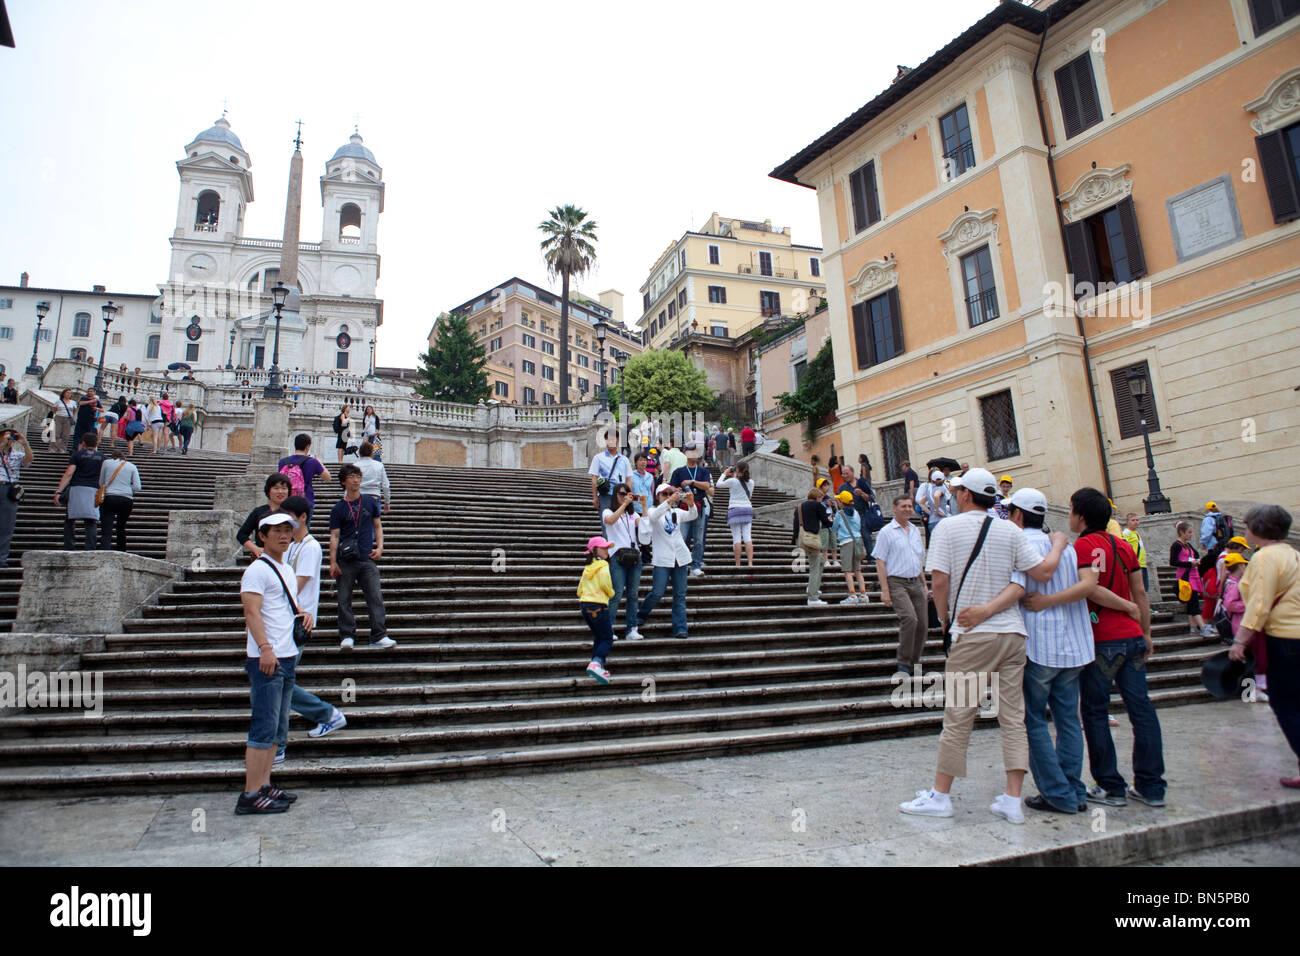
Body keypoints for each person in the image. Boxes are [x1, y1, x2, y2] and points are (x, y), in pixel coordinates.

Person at [899, 468, 1068, 824]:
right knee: (1013, 718)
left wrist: (945, 619)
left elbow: (940, 580)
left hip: (973, 634)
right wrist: (1058, 544)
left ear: (963, 495)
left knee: (958, 717)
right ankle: (1011, 799)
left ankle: (941, 796)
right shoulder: (1009, 529)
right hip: (1013, 635)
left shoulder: (947, 527)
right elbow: (1040, 575)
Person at [1009, 489, 1135, 815]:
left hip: (1040, 645)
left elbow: (1015, 591)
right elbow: (1089, 584)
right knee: (1068, 720)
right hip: (1076, 646)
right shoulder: (1066, 548)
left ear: (1018, 515)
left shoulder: (1022, 545)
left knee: (1033, 720)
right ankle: (1074, 790)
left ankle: (1058, 793)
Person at [1068, 487, 1164, 809]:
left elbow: (1090, 588)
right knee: (1142, 710)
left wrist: (1124, 607)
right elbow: (1142, 594)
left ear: (1081, 516)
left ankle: (1111, 786)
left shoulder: (1083, 545)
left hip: (1103, 640)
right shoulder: (1123, 546)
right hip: (1133, 638)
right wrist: (1145, 632)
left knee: (1095, 712)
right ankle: (1151, 786)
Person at [237, 512, 309, 814]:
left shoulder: (286, 569)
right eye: (275, 531)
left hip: (287, 653)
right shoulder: (257, 570)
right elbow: (251, 613)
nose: (283, 535)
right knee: (263, 727)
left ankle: (265, 784)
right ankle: (250, 794)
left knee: (278, 727)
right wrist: (264, 648)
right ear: (261, 537)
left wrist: (304, 613)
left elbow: (284, 606)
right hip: (267, 657)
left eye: (287, 530)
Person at [1228, 505, 1300, 786]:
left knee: (1286, 705)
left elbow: (1258, 605)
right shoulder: (1293, 553)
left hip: (1283, 638)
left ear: (1257, 528)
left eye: (1246, 525)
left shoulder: (1264, 558)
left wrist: (1240, 641)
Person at [281, 495, 347, 753]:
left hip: (298, 622)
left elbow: (296, 585)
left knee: (280, 681)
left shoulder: (310, 547)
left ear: (303, 517)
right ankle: (326, 715)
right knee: (281, 680)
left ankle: (326, 715)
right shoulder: (290, 546)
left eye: (290, 519)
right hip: (284, 620)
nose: (286, 524)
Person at [329, 464, 396, 650]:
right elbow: (334, 535)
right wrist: (333, 561)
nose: (356, 480)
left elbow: (377, 526)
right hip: (346, 558)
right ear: (343, 481)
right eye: (351, 476)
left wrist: (380, 547)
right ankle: (347, 634)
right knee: (344, 599)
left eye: (358, 476)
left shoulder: (369, 502)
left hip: (366, 557)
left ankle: (379, 635)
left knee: (375, 596)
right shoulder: (338, 508)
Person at [874, 495, 928, 676]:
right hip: (897, 582)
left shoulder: (914, 531)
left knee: (923, 624)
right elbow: (880, 561)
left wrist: (925, 584)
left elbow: (918, 559)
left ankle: (914, 662)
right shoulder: (886, 532)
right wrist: (885, 590)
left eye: (910, 506)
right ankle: (904, 662)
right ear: (894, 508)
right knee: (910, 618)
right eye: (903, 506)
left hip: (915, 582)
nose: (907, 509)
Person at [637, 483, 697, 639]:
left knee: (680, 594)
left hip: (680, 557)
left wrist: (691, 504)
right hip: (662, 558)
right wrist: (669, 501)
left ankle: (680, 627)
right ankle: (641, 614)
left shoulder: (676, 512)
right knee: (657, 592)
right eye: (664, 494)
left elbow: (692, 516)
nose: (668, 495)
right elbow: (654, 516)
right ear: (658, 496)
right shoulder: (653, 511)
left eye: (670, 493)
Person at [602, 483, 644, 641]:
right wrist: (624, 505)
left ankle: (632, 628)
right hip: (617, 557)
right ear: (615, 495)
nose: (625, 496)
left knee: (633, 594)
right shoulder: (608, 510)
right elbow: (610, 521)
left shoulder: (633, 514)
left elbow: (645, 526)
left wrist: (645, 506)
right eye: (621, 494)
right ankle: (608, 628)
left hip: (634, 556)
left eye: (628, 494)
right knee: (617, 593)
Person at [54, 433, 104, 550]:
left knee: (70, 518)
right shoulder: (102, 457)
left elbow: (69, 473)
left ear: (83, 443)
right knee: (91, 521)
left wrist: (59, 491)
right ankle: (90, 548)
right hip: (93, 489)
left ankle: (69, 546)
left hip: (77, 488)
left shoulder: (77, 455)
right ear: (96, 443)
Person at [579, 535, 617, 682]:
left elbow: (580, 588)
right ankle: (597, 663)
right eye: (603, 547)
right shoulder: (603, 566)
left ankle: (597, 665)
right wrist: (611, 593)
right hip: (598, 605)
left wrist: (583, 595)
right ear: (595, 550)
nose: (607, 550)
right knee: (607, 637)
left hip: (585, 604)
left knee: (599, 636)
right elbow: (605, 584)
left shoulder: (588, 567)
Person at [669, 444, 712, 577]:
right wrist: (681, 493)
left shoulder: (703, 471)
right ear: (685, 453)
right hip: (683, 509)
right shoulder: (679, 471)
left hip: (699, 508)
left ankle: (696, 566)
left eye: (695, 451)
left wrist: (692, 482)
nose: (693, 454)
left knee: (699, 539)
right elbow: (672, 488)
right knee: (681, 537)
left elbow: (707, 486)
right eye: (690, 451)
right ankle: (681, 565)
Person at [793, 487, 835, 606]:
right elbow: (826, 522)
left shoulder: (799, 507)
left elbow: (796, 525)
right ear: (817, 498)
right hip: (812, 540)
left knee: (821, 561)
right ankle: (812, 597)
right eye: (821, 498)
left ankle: (813, 586)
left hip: (802, 540)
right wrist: (834, 521)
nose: (822, 500)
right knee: (815, 566)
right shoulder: (818, 506)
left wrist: (795, 541)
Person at [237, 474, 293, 561]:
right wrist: (255, 549)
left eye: (284, 488)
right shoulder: (258, 512)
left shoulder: (293, 513)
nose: (280, 492)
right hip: (264, 558)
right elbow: (241, 535)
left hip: (288, 558)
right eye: (276, 488)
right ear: (268, 491)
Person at [1171, 521, 1212, 637]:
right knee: (1194, 602)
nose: (1190, 535)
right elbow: (1173, 561)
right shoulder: (1176, 545)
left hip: (1193, 575)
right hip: (1185, 577)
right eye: (1189, 532)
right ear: (1181, 532)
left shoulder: (1187, 545)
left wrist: (1195, 560)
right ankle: (1202, 627)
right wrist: (1189, 563)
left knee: (1192, 602)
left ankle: (1193, 627)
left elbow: (1196, 554)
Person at [0, 428, 33, 567]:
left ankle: (1, 558)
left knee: (6, 525)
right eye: (7, 436)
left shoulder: (17, 454)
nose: (10, 439)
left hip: (9, 489)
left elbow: (29, 460)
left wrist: (25, 443)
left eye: (11, 436)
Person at [97, 448, 141, 552]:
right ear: (124, 458)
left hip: (109, 497)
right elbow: (137, 487)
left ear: (113, 457)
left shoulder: (106, 463)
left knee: (106, 528)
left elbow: (101, 482)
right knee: (121, 527)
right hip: (126, 499)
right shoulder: (132, 466)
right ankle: (121, 550)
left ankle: (104, 550)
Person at [278, 434, 330, 518]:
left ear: (295, 444)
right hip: (305, 501)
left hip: (286, 501)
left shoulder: (283, 461)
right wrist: (319, 462)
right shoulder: (312, 462)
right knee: (303, 530)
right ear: (308, 446)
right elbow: (328, 478)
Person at [832, 491, 868, 604]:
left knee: (847, 570)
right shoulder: (856, 513)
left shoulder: (840, 514)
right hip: (857, 541)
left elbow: (834, 528)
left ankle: (852, 595)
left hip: (846, 543)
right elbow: (858, 526)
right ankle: (863, 594)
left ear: (842, 502)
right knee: (857, 570)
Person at [588, 430, 630, 525]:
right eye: (607, 439)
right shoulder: (598, 458)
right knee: (606, 524)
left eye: (612, 439)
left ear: (617, 440)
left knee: (622, 523)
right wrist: (595, 497)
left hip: (621, 495)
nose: (610, 442)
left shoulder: (624, 460)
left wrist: (629, 495)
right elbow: (594, 478)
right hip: (605, 495)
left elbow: (628, 479)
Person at [719, 462, 755, 568]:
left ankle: (738, 564)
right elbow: (749, 495)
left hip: (734, 510)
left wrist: (725, 473)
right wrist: (735, 476)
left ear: (737, 470)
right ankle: (750, 563)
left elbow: (719, 484)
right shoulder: (752, 482)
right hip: (747, 510)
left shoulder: (732, 481)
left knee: (737, 538)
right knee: (748, 537)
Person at [356, 441, 391, 514]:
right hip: (374, 497)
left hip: (358, 498)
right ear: (372, 453)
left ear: (360, 453)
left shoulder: (355, 466)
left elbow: (349, 484)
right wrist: (387, 502)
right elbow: (385, 485)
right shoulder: (379, 465)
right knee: (375, 524)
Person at [918, 470, 950, 550]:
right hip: (941, 520)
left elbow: (921, 502)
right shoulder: (941, 488)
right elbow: (936, 496)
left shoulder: (929, 490)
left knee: (937, 547)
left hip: (931, 521)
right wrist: (937, 511)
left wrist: (930, 512)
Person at [1219, 553, 1248, 639]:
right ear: (1240, 566)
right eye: (1244, 564)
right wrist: (1248, 604)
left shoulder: (1231, 582)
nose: (1246, 567)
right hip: (1239, 623)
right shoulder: (1234, 585)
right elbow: (1229, 604)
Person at [1121, 513, 1149, 594]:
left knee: (1144, 588)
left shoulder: (1136, 533)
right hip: (1136, 564)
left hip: (1142, 564)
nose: (1136, 522)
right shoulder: (1126, 533)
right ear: (1127, 522)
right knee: (1138, 589)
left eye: (1137, 520)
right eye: (1133, 520)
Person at [73, 389, 99, 456]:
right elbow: (80, 403)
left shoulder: (96, 401)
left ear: (94, 392)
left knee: (89, 436)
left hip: (90, 421)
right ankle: (77, 450)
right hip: (81, 420)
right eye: (89, 391)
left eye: (91, 391)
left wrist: (97, 409)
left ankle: (87, 451)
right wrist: (91, 401)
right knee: (78, 436)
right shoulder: (84, 398)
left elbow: (101, 409)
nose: (90, 392)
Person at [50, 388, 76, 452]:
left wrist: (72, 417)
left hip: (68, 418)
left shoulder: (73, 402)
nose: (68, 394)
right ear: (64, 393)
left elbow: (74, 410)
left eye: (70, 393)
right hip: (58, 417)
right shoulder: (58, 401)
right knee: (56, 433)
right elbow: (54, 410)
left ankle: (62, 448)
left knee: (66, 435)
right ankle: (53, 448)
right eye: (67, 393)